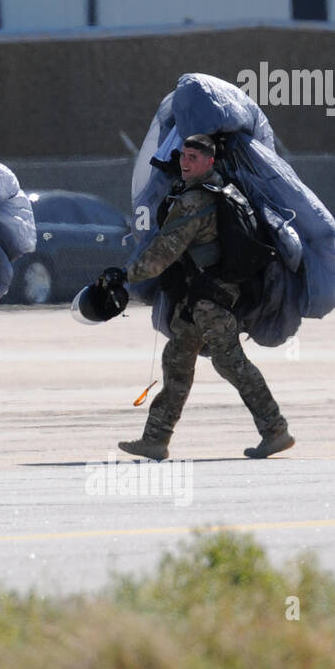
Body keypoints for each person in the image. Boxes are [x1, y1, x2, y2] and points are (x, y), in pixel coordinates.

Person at [101, 133, 293, 460]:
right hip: (200, 297)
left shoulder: (196, 200)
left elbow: (165, 250)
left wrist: (125, 274)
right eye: (184, 156)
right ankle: (156, 439)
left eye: (193, 157)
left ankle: (275, 429)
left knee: (230, 361)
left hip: (211, 298)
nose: (185, 162)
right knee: (177, 360)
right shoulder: (213, 189)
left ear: (210, 162)